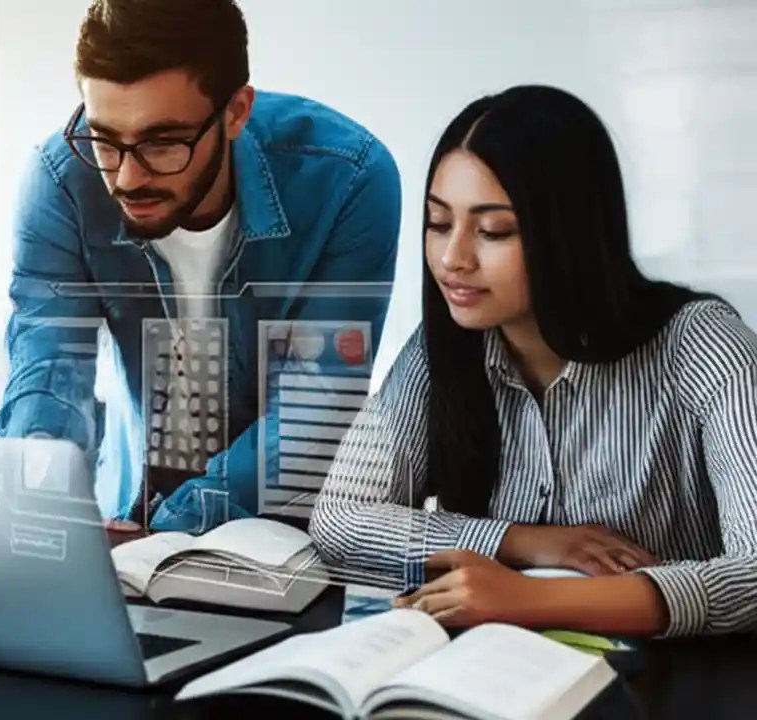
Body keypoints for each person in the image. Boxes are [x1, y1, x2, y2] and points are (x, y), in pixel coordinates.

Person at [311, 85, 757, 637]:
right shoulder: (441, 350)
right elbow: (341, 521)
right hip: (494, 673)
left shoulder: (703, 346)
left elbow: (753, 572)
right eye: (438, 222)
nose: (453, 259)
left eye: (493, 230)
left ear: (569, 234)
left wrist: (530, 598)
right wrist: (523, 540)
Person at [0, 0, 401, 532]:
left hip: (282, 535)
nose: (127, 178)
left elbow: (312, 411)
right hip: (126, 518)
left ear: (236, 112)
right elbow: (48, 371)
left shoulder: (348, 180)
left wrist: (167, 526)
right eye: (105, 138)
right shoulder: (62, 179)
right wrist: (37, 501)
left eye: (163, 143)